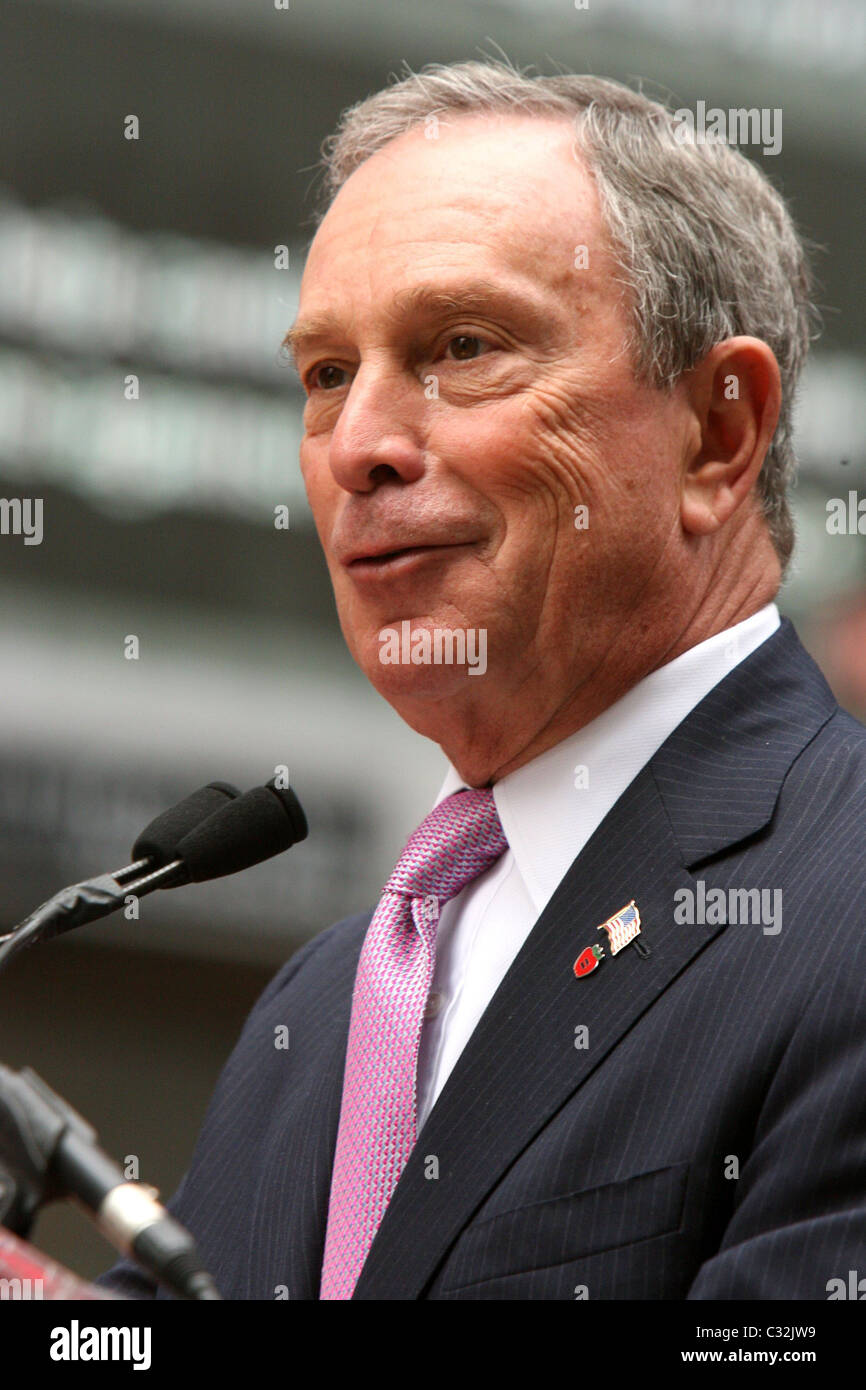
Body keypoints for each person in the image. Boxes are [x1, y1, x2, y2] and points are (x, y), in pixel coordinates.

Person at [98, 59, 866, 1300]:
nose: (357, 446)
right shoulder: (329, 1004)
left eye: (460, 346)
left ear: (718, 433)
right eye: (325, 374)